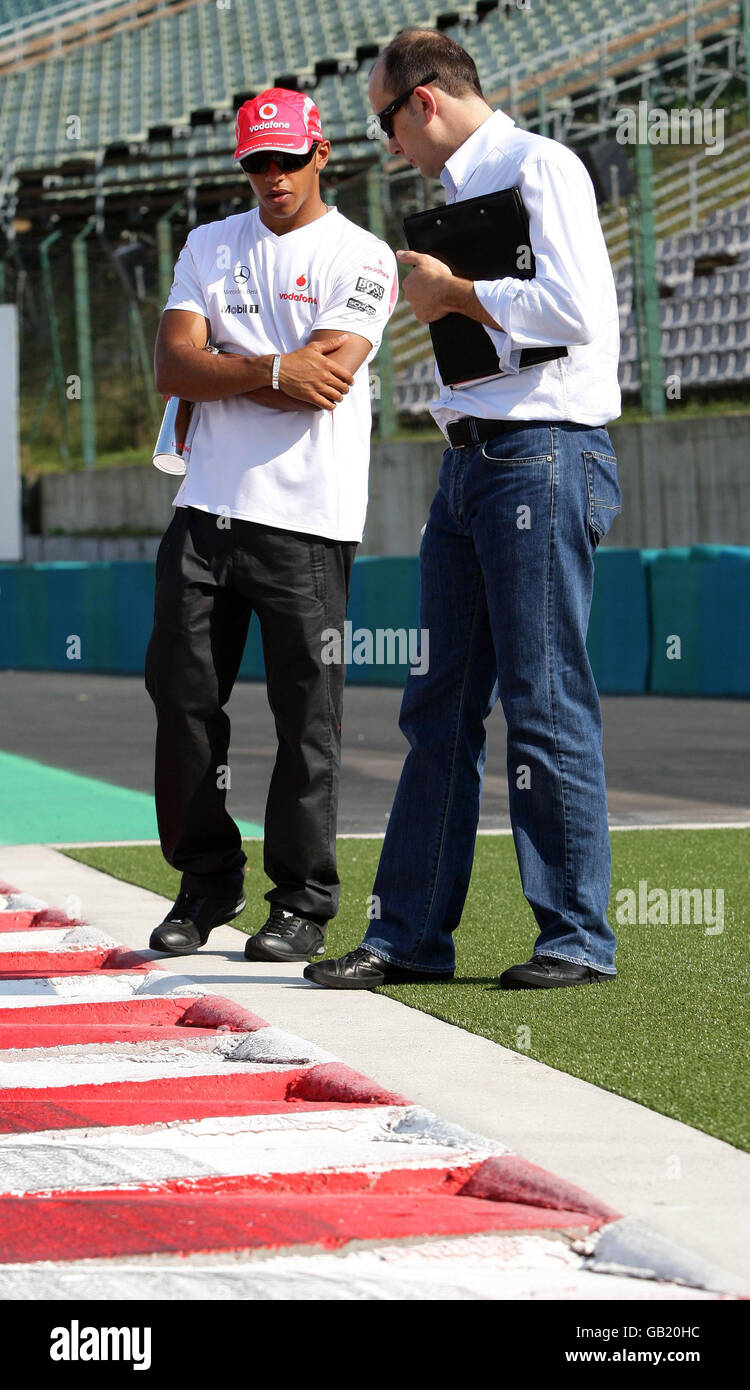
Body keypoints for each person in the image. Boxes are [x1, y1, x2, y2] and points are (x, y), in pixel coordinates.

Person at [305, 29, 622, 992]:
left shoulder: (542, 164)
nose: (387, 143)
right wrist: (454, 303)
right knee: (437, 703)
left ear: (426, 100)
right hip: (475, 462)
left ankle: (576, 936)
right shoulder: (459, 195)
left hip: (542, 454)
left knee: (543, 692)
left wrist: (456, 293)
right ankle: (409, 935)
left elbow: (576, 311)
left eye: (385, 120)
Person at [146, 89, 398, 964]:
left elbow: (328, 377)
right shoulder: (209, 244)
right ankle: (206, 877)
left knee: (307, 719)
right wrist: (268, 368)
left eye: (287, 159)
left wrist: (223, 366)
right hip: (204, 509)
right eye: (257, 162)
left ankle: (302, 901)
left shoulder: (363, 256)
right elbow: (171, 364)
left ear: (321, 154)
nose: (272, 177)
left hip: (307, 519)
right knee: (179, 700)